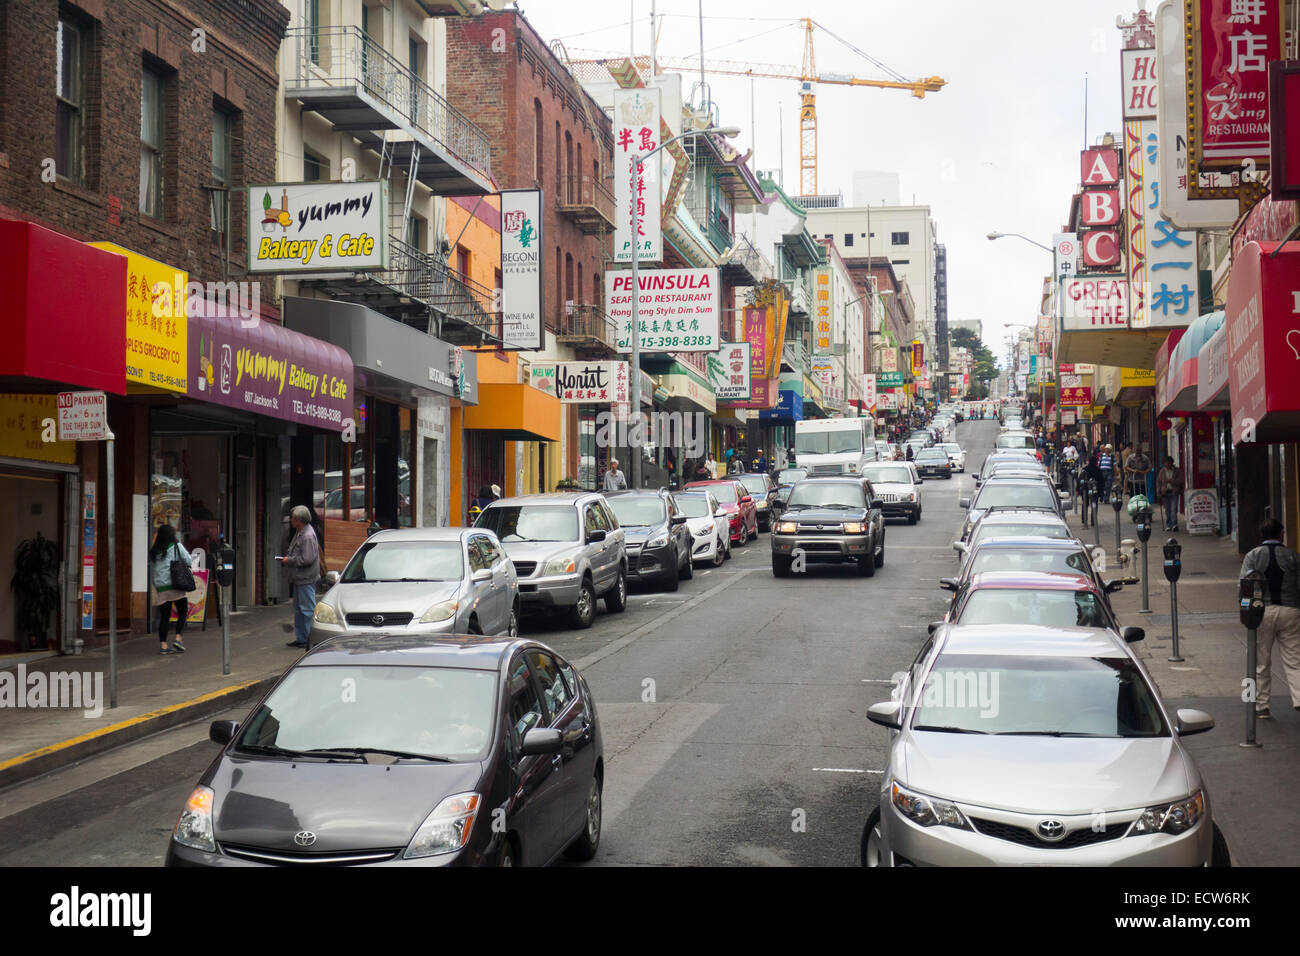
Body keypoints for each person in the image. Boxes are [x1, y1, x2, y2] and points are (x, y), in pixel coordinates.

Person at [1239, 519, 1300, 718]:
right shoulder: (1293, 556)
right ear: (1281, 533)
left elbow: (1244, 586)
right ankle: (1299, 699)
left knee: (1260, 661)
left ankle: (1261, 705)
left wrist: (1245, 612)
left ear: (1261, 535)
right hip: (1290, 610)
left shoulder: (1252, 555)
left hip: (1260, 611)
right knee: (1294, 660)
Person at [281, 505, 321, 649]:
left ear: (299, 520)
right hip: (299, 578)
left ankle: (309, 638)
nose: (290, 520)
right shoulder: (300, 532)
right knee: (299, 609)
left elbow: (307, 559)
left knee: (307, 609)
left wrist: (289, 560)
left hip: (305, 578)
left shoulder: (307, 536)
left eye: (293, 518)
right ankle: (302, 637)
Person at [149, 524, 192, 655]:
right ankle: (178, 639)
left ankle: (163, 646)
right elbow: (188, 560)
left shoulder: (154, 551)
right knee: (183, 613)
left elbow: (152, 570)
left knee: (164, 618)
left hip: (161, 588)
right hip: (176, 585)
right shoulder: (176, 546)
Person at [1156, 456, 1182, 531]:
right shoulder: (1162, 471)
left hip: (1174, 492)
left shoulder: (1177, 471)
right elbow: (1158, 482)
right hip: (1165, 493)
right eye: (1165, 463)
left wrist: (1172, 481)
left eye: (1168, 463)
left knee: (1174, 509)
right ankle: (1168, 524)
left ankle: (1175, 524)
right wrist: (1158, 492)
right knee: (1167, 510)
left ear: (1171, 463)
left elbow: (1180, 481)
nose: (1167, 465)